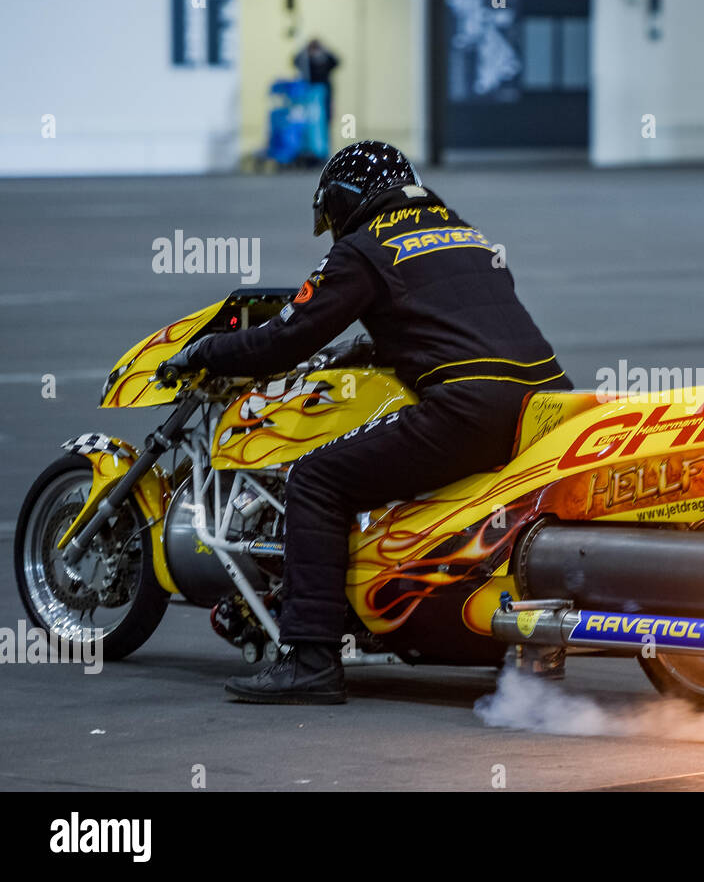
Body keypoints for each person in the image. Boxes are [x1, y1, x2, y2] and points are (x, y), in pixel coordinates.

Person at [161, 142, 572, 704]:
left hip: (468, 407)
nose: (332, 229)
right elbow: (453, 320)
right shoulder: (464, 233)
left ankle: (309, 658)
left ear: (345, 202)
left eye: (331, 216)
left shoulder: (365, 246)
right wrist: (370, 347)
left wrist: (208, 352)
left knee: (316, 479)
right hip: (548, 401)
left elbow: (287, 338)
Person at [294, 38, 340, 155]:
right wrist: (304, 51)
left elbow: (337, 61)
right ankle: (309, 150)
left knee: (325, 124)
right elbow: (295, 61)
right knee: (308, 123)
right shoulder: (305, 60)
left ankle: (323, 151)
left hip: (323, 97)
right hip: (309, 95)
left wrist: (325, 51)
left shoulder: (326, 60)